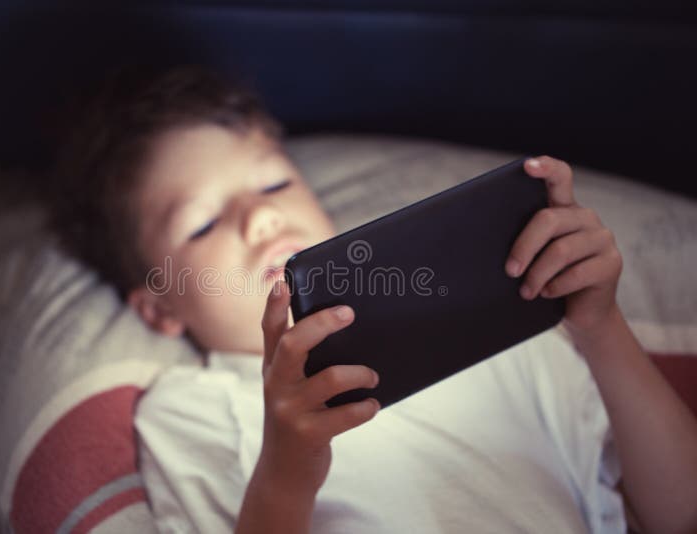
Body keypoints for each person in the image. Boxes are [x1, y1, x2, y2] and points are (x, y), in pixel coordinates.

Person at [53, 67, 697, 534]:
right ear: (160, 307)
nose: (261, 221)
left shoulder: (500, 334)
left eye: (275, 183)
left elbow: (680, 510)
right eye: (201, 224)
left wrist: (601, 328)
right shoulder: (191, 409)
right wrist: (284, 468)